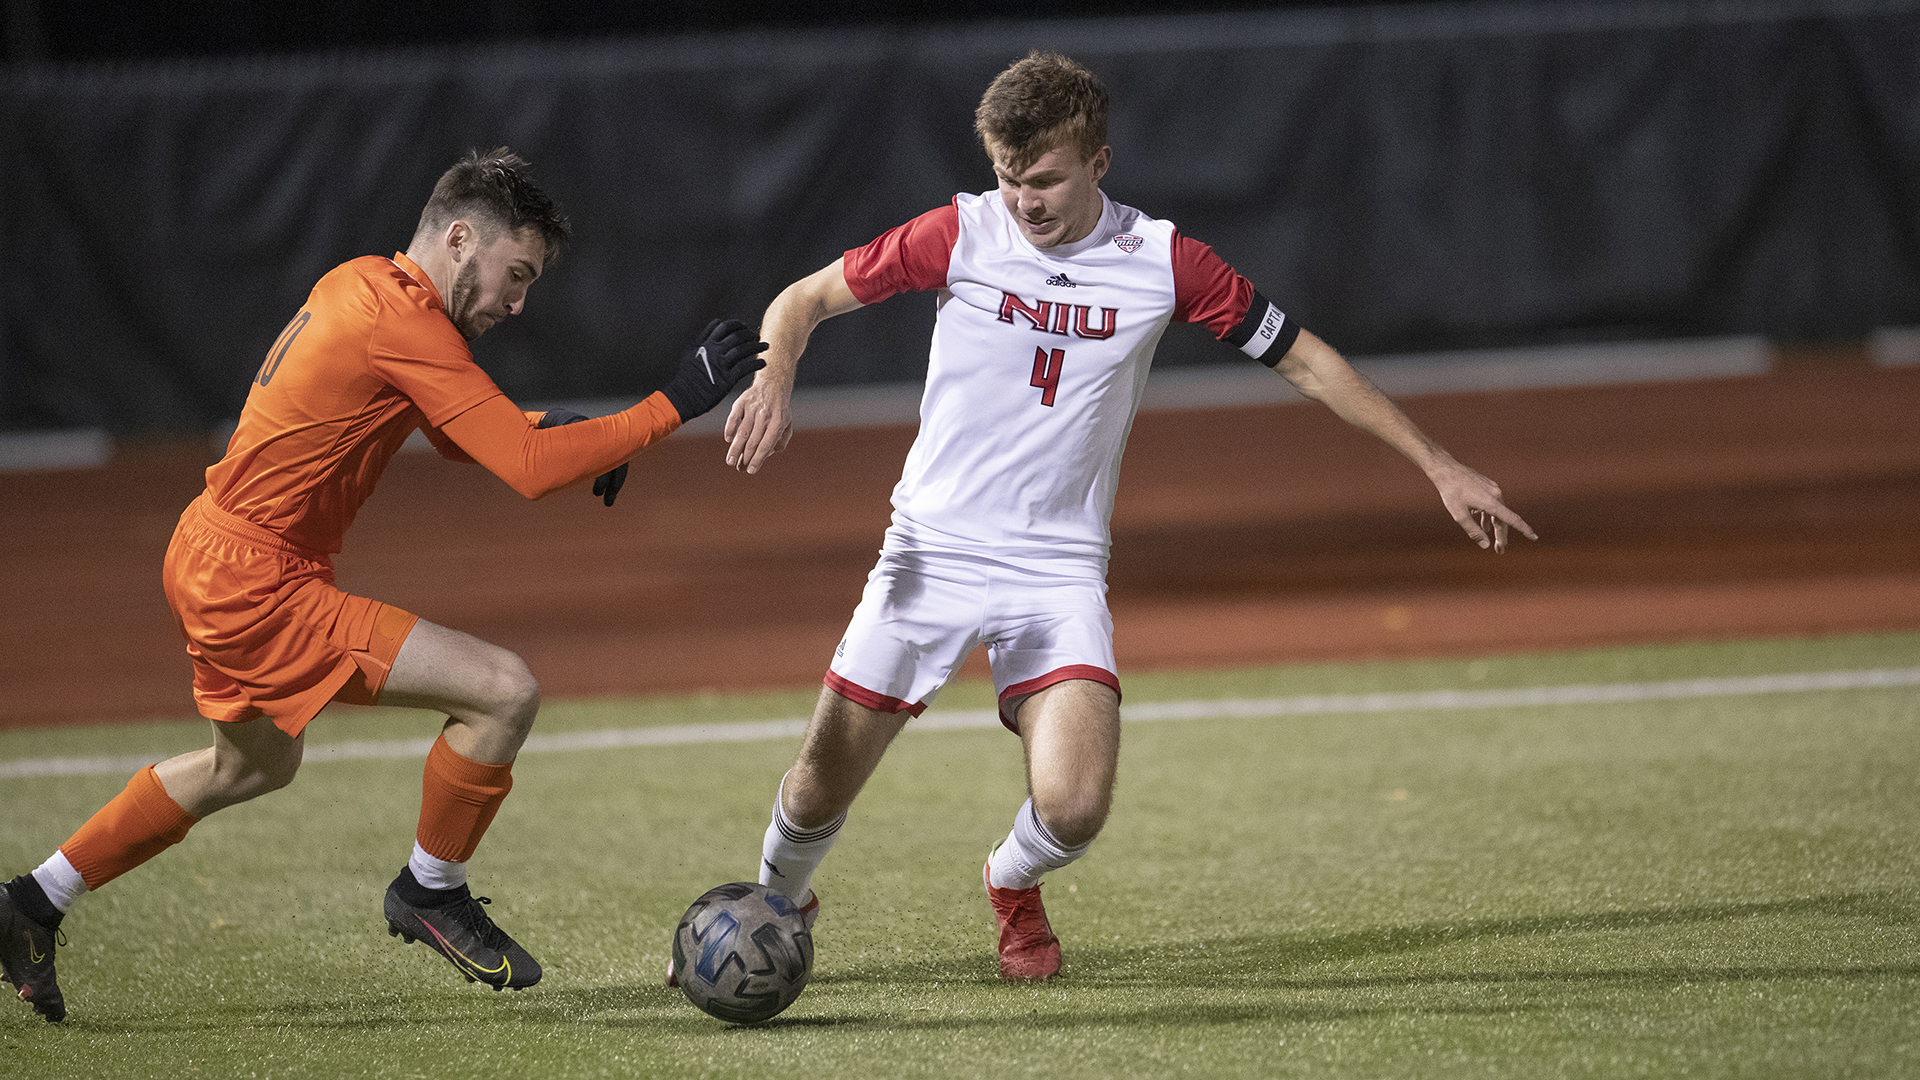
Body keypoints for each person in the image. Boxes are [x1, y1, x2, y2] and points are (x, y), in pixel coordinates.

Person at [705, 53, 1536, 982]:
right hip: (930, 554)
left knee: (1074, 808)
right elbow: (804, 299)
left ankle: (1011, 883)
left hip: (1056, 571)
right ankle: (774, 904)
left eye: (1045, 179)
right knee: (816, 790)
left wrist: (1437, 463)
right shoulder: (960, 233)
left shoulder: (1164, 263)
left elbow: (1305, 360)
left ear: (1099, 162)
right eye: (1009, 177)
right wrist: (775, 374)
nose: (1024, 201)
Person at [0, 148, 767, 1021]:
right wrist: (673, 403)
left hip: (210, 550)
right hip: (259, 583)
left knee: (248, 766)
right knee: (503, 692)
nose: (518, 303)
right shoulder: (403, 320)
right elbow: (524, 467)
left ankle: (32, 901)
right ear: (460, 238)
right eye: (516, 274)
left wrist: (567, 428)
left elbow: (457, 430)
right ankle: (430, 887)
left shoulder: (366, 284)